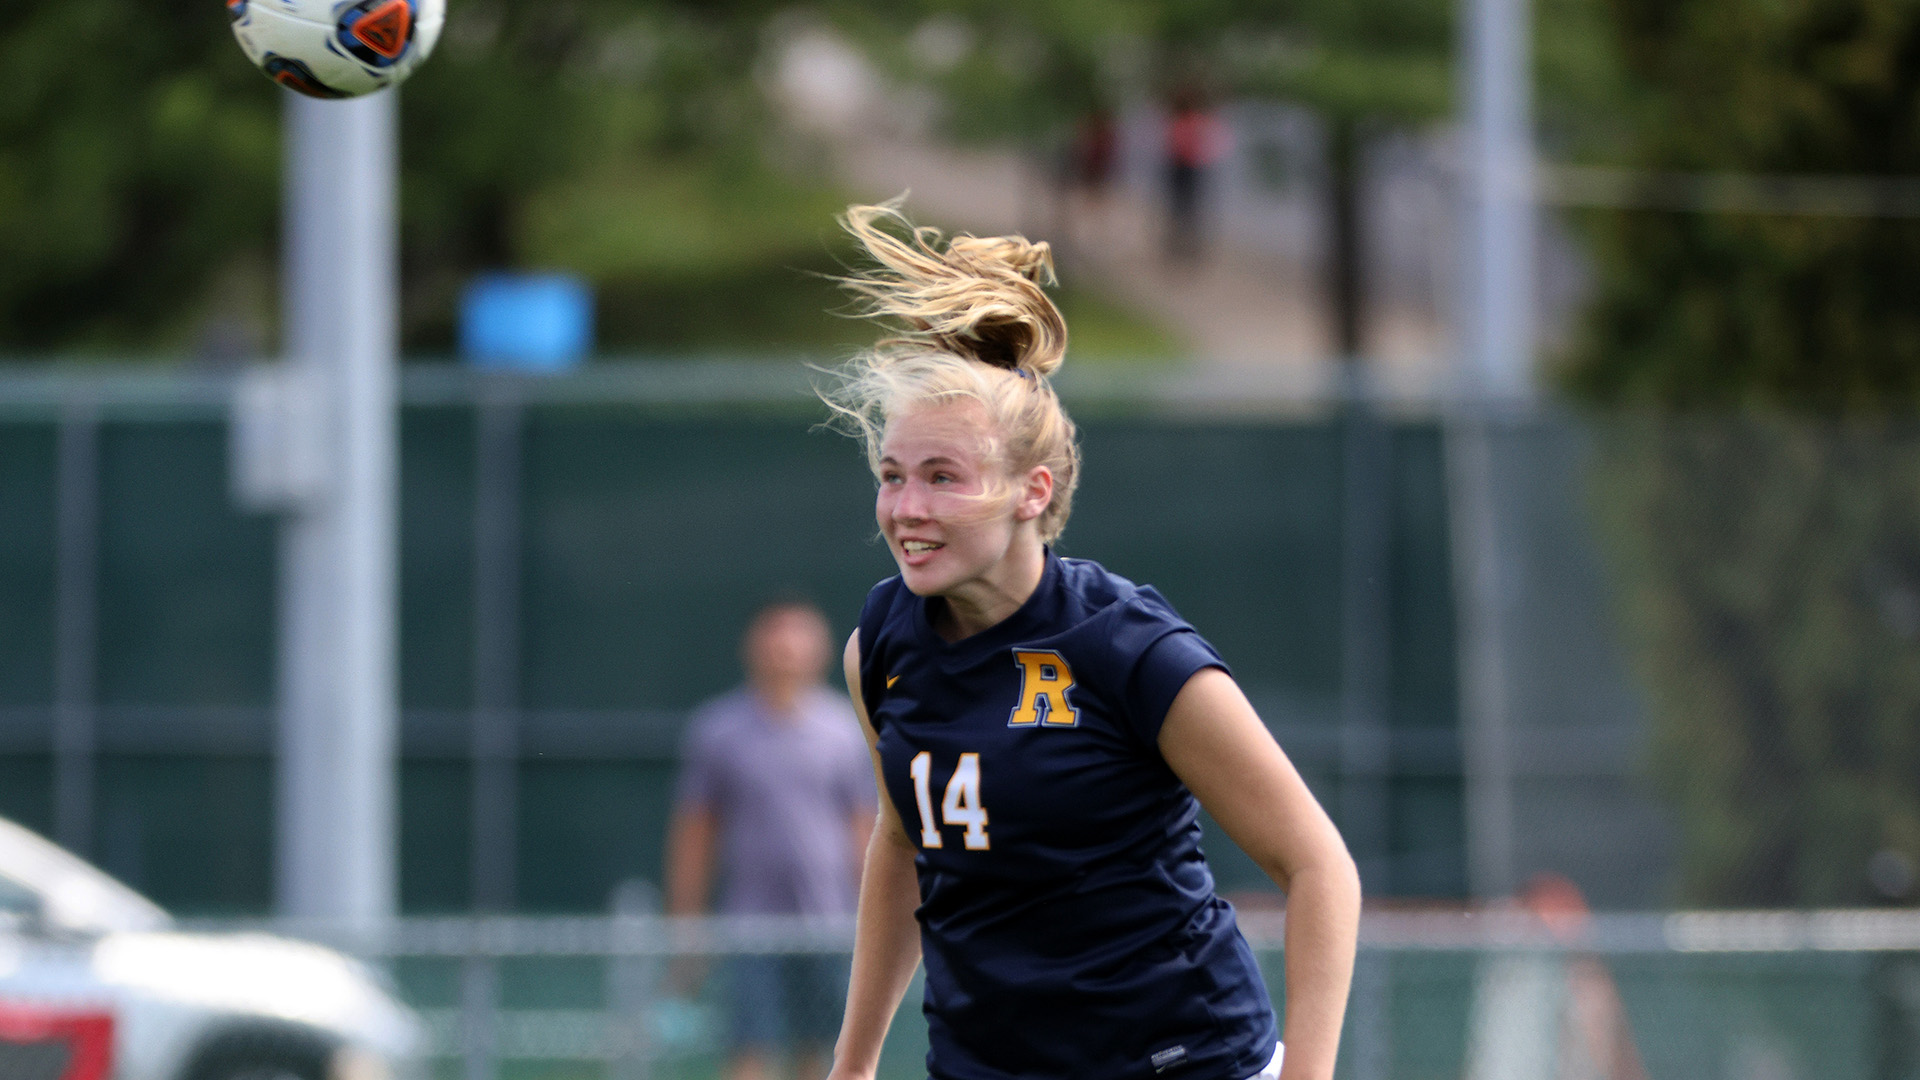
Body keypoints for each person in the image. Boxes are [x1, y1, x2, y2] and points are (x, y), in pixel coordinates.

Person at [817, 201, 1362, 1080]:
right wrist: (852, 1065)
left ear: (1032, 492)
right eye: (893, 476)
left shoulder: (1129, 650)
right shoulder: (879, 643)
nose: (906, 509)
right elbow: (903, 840)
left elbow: (1319, 866)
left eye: (942, 478)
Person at [664, 599, 878, 1080]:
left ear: (820, 650)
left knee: (820, 1054)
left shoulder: (845, 730)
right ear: (753, 647)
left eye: (798, 637)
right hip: (749, 930)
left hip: (829, 928)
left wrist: (875, 923)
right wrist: (686, 930)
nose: (785, 649)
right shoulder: (717, 730)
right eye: (774, 636)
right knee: (748, 1054)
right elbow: (695, 835)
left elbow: (867, 832)